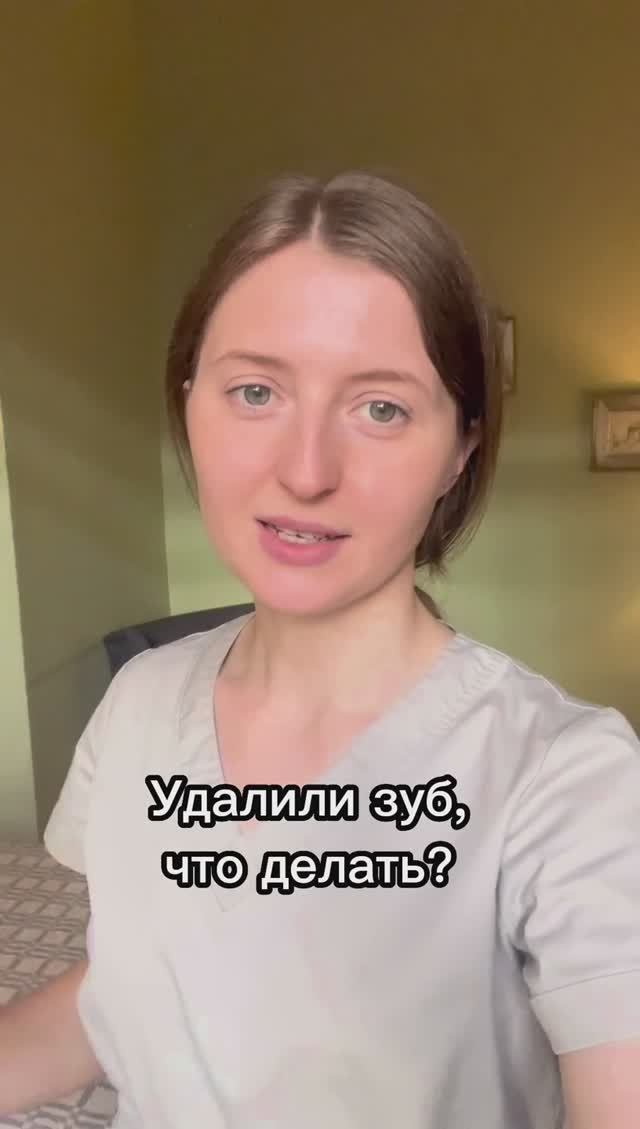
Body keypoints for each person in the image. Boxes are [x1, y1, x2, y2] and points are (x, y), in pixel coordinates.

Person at [2, 170, 639, 1128]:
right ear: (188, 404)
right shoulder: (139, 699)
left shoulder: (565, 778)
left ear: (460, 450)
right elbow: (128, 991)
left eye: (381, 408)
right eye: (255, 391)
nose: (305, 472)